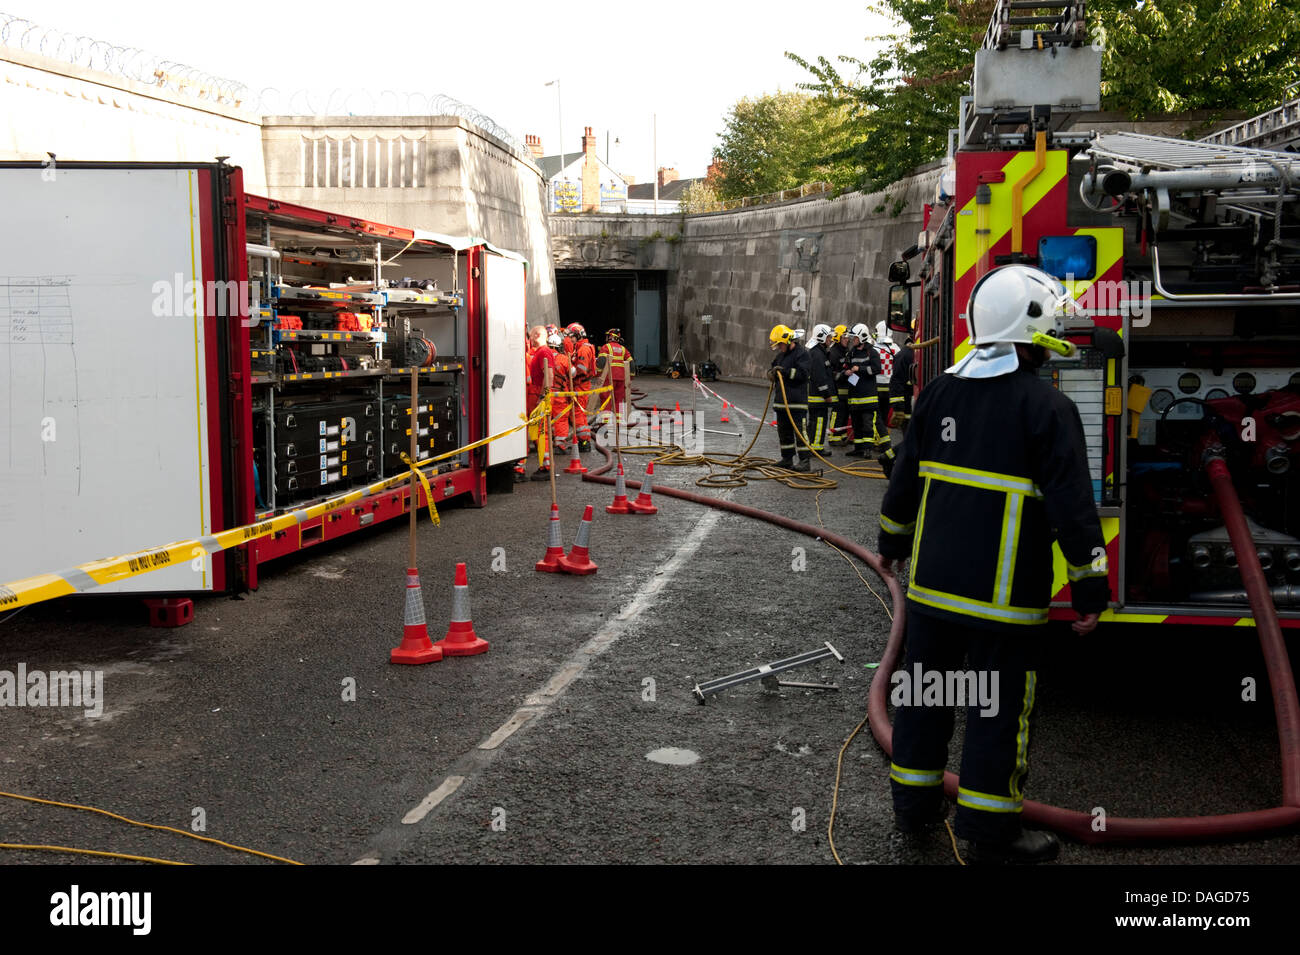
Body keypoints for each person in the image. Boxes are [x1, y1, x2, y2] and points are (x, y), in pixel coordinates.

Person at [876, 264, 1109, 864]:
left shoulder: (940, 394)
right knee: (997, 711)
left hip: (932, 595)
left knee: (925, 697)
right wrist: (1090, 588)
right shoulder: (1048, 408)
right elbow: (1073, 510)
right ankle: (990, 834)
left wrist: (890, 543)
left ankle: (915, 810)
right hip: (1004, 605)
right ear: (1031, 327)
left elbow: (905, 482)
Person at [767, 324, 813, 472]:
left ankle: (805, 461)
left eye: (780, 344)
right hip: (781, 403)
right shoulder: (781, 355)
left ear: (787, 340)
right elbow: (772, 369)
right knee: (784, 433)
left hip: (796, 403)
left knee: (800, 433)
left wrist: (785, 372)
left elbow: (802, 375)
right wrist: (771, 374)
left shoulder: (802, 354)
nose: (779, 347)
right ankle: (787, 459)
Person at [843, 323, 882, 457]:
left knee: (867, 425)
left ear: (862, 337)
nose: (852, 340)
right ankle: (858, 448)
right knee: (856, 424)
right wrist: (846, 371)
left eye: (855, 337)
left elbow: (877, 369)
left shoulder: (872, 352)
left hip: (868, 396)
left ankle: (867, 449)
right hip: (854, 395)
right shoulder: (851, 352)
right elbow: (846, 365)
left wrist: (860, 369)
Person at [526, 326, 557, 480]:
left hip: (538, 394)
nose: (529, 339)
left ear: (537, 335)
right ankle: (544, 464)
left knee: (540, 432)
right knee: (538, 431)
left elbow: (549, 376)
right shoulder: (540, 352)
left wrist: (541, 397)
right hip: (537, 394)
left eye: (531, 336)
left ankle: (546, 466)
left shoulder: (544, 352)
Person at [805, 324, 837, 454]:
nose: (830, 340)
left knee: (814, 422)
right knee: (819, 422)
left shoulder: (818, 352)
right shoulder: (818, 354)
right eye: (829, 337)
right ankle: (816, 448)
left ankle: (810, 445)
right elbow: (820, 378)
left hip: (816, 396)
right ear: (822, 337)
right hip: (819, 397)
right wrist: (827, 395)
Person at [566, 323, 598, 452]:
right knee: (578, 414)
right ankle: (583, 440)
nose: (570, 339)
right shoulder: (580, 347)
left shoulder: (583, 349)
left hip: (581, 385)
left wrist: (570, 370)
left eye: (572, 336)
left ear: (578, 335)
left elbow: (582, 369)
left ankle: (584, 442)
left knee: (577, 414)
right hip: (580, 385)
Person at [871, 320, 901, 456]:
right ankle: (884, 439)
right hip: (890, 387)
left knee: (876, 415)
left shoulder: (874, 349)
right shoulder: (897, 349)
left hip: (876, 386)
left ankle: (878, 441)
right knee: (885, 414)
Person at [597, 328, 632, 423]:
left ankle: (605, 423)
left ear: (611, 337)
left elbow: (601, 363)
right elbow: (631, 363)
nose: (606, 337)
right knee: (618, 400)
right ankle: (618, 422)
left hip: (608, 378)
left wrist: (599, 375)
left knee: (606, 399)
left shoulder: (606, 347)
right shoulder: (623, 349)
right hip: (621, 379)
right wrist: (630, 378)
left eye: (608, 335)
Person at [827, 324, 851, 445]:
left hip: (846, 389)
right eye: (844, 337)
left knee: (845, 413)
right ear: (838, 338)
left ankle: (842, 436)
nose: (847, 339)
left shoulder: (846, 351)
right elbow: (831, 373)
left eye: (847, 337)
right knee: (837, 413)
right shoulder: (833, 353)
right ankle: (833, 437)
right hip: (837, 389)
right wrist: (843, 374)